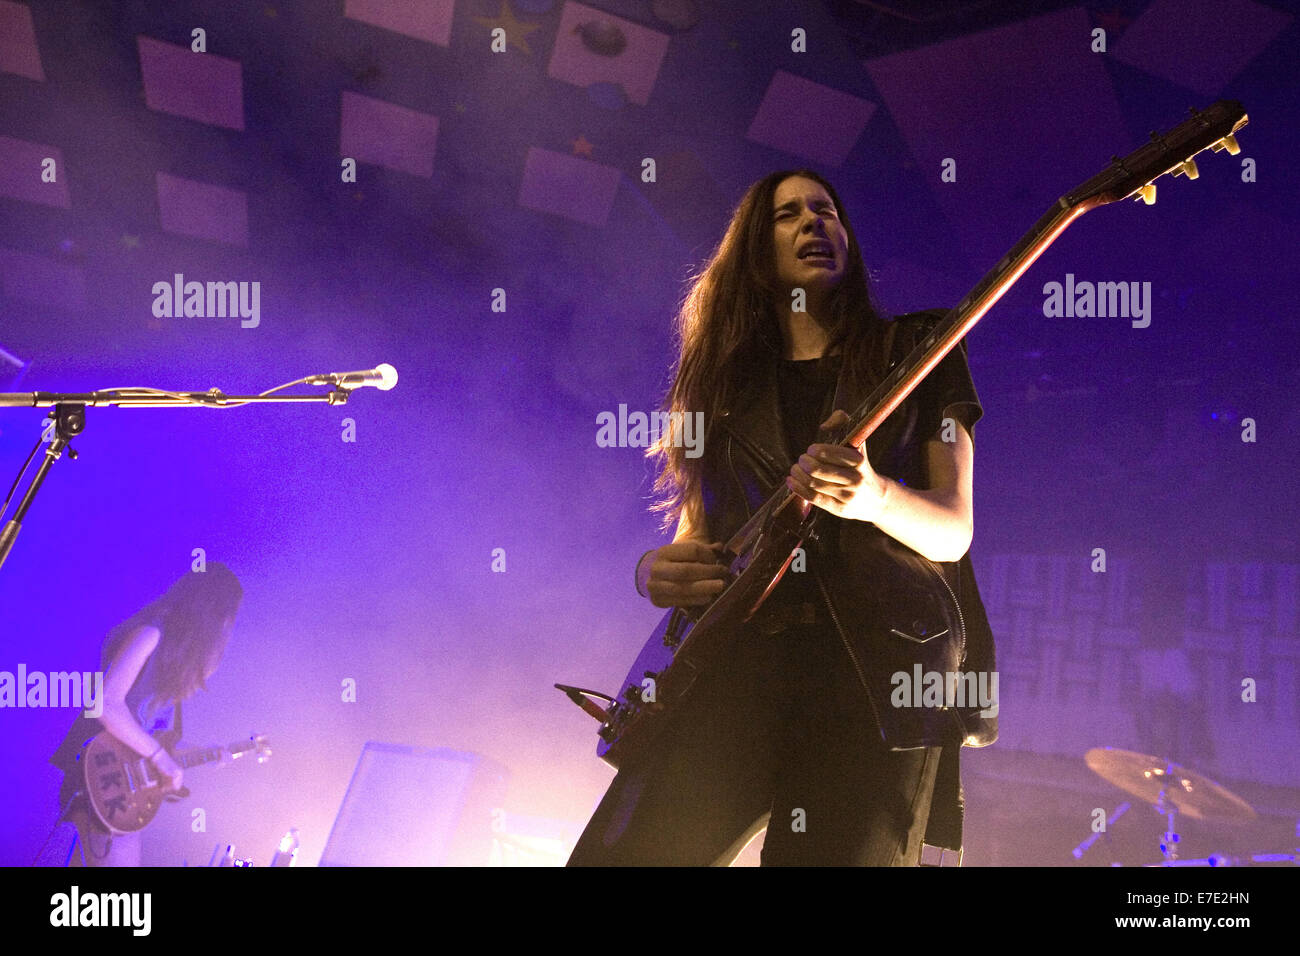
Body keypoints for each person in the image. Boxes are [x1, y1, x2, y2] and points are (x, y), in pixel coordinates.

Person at [567, 169, 997, 866]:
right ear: (753, 251)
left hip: (871, 678)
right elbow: (702, 540)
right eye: (788, 214)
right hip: (733, 667)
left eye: (827, 210)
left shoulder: (920, 347)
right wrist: (653, 571)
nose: (813, 223)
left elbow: (953, 527)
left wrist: (875, 498)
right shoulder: (721, 384)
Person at [45, 562, 243, 866]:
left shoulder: (174, 667)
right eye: (227, 619)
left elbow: (146, 737)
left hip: (122, 792)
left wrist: (204, 753)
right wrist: (160, 759)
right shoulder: (150, 634)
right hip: (96, 777)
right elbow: (106, 704)